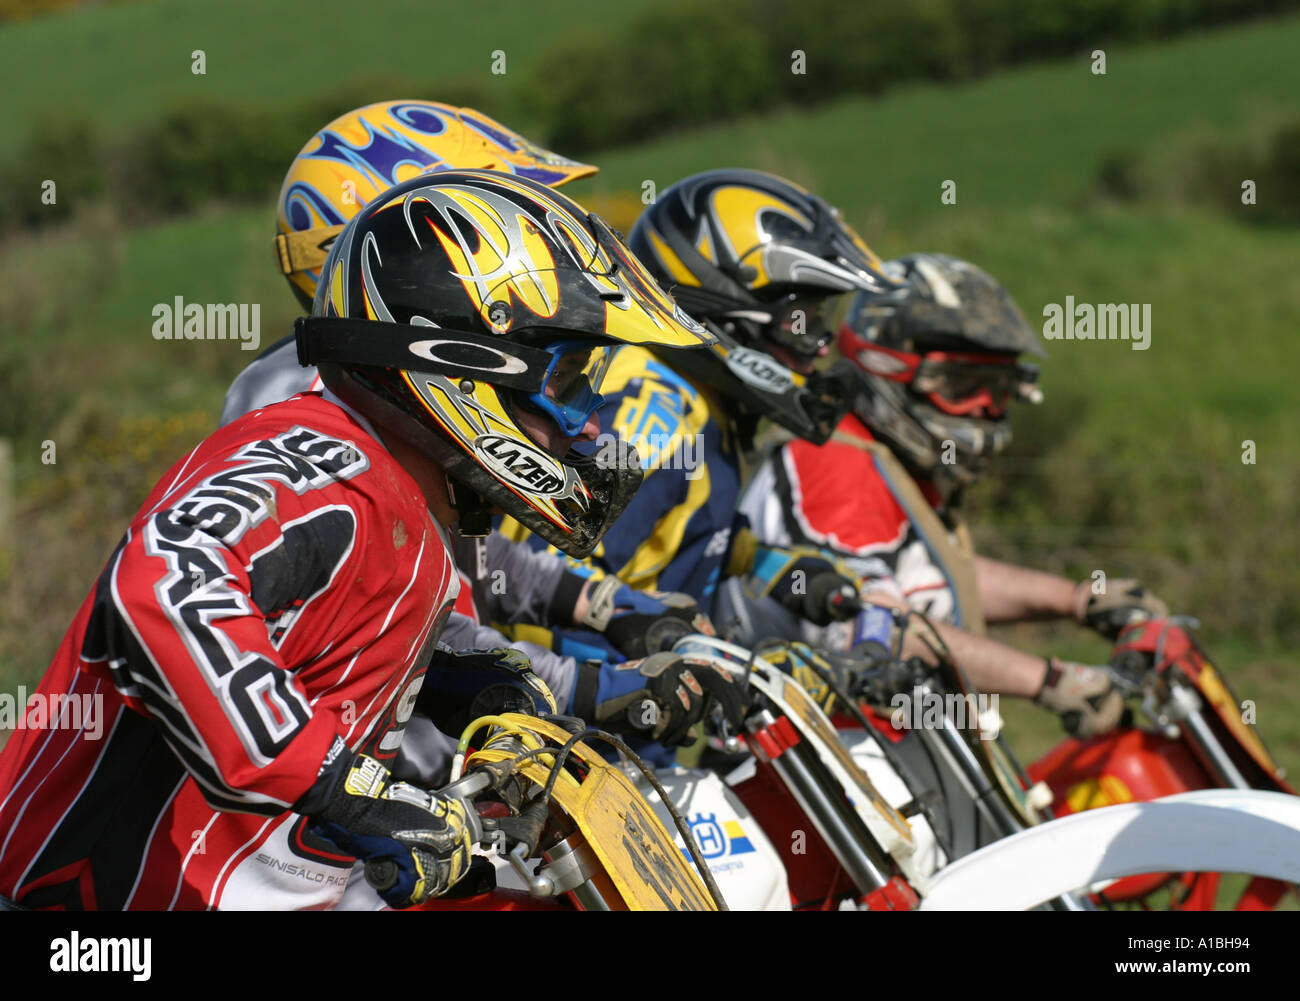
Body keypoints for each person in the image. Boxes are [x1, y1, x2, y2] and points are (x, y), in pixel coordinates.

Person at [0, 170, 727, 911]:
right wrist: (348, 789)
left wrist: (492, 689)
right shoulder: (318, 460)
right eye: (567, 383)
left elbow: (349, 633)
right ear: (463, 363)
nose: (592, 426)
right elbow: (163, 579)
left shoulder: (408, 502)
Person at [218, 100, 725, 762]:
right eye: (491, 210)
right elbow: (400, 617)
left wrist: (610, 606)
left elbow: (473, 565)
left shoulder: (384, 398)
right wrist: (583, 685)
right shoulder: (316, 397)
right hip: (363, 780)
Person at [495, 169, 906, 752]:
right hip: (580, 753)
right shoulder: (656, 412)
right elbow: (543, 577)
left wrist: (785, 571)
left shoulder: (706, 408)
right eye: (803, 321)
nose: (820, 348)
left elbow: (678, 542)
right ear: (728, 309)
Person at [738, 253, 1167, 736]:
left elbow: (934, 580)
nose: (985, 412)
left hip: (891, 755)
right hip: (816, 772)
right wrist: (1049, 680)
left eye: (998, 390)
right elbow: (875, 625)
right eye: (964, 387)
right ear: (889, 368)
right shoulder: (834, 463)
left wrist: (1077, 600)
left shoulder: (885, 460)